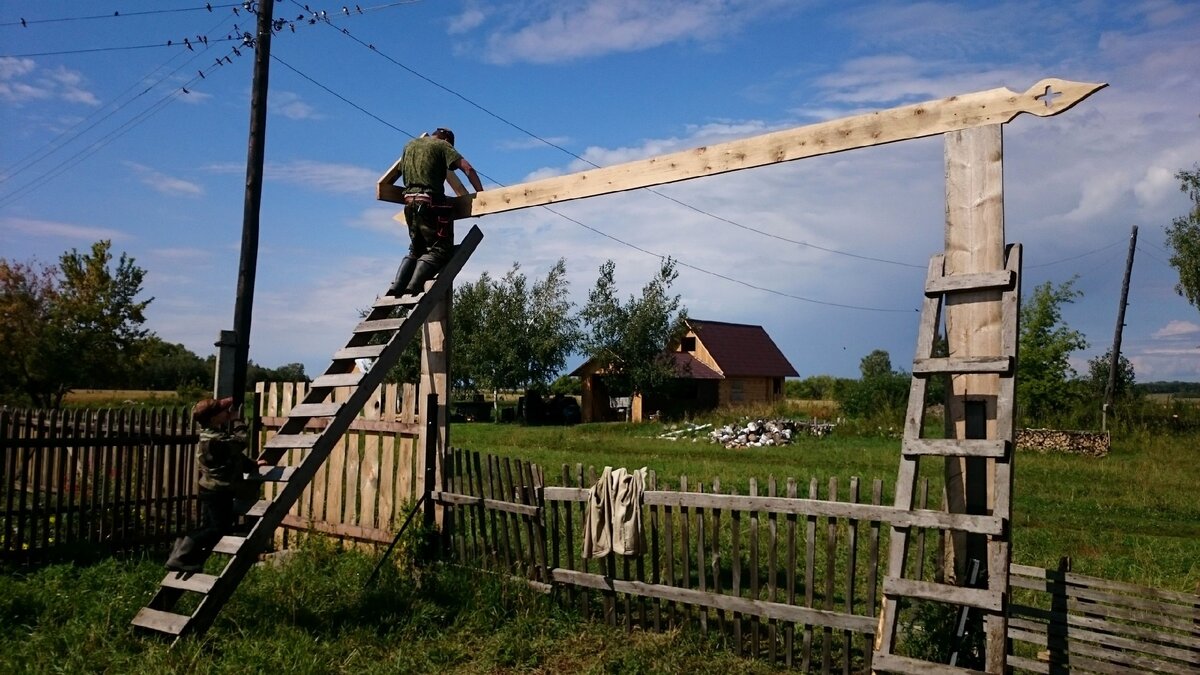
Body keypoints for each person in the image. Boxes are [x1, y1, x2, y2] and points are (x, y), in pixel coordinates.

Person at [165, 397, 264, 573]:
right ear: (213, 418)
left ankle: (183, 551)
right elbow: (240, 442)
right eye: (222, 411)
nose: (227, 412)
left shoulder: (213, 434)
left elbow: (232, 457)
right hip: (217, 490)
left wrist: (252, 465)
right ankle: (179, 555)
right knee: (219, 528)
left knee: (208, 526)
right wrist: (237, 421)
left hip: (211, 489)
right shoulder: (215, 439)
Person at [382, 127, 484, 296]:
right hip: (430, 204)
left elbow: (398, 172)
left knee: (416, 249)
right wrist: (481, 194)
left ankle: (398, 285)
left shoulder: (410, 145)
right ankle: (414, 285)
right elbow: (468, 169)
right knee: (439, 250)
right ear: (447, 141)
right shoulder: (443, 146)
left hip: (409, 204)